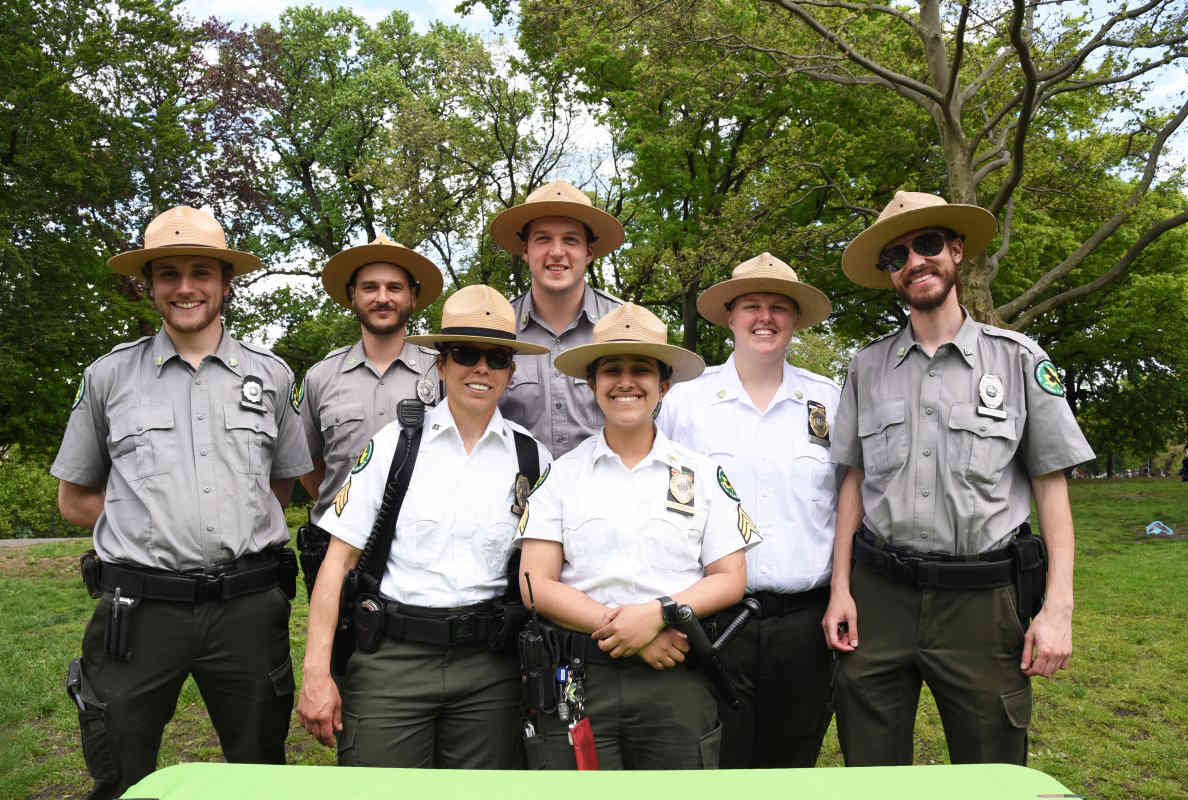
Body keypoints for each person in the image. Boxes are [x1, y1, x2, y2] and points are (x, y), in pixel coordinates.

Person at [824, 191, 1096, 766]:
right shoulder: (866, 367)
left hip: (981, 604)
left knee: (991, 769)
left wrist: (1058, 608)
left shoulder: (1018, 360)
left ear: (956, 250)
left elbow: (1051, 487)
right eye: (896, 255)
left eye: (926, 244)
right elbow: (854, 482)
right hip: (879, 601)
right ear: (889, 273)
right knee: (870, 772)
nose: (914, 262)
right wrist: (841, 589)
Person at [51, 206, 312, 800]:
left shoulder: (271, 376)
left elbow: (278, 487)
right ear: (149, 285)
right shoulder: (108, 377)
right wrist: (150, 526)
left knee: (259, 772)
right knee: (121, 771)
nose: (185, 287)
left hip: (246, 611)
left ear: (226, 282)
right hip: (140, 611)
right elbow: (75, 497)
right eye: (168, 273)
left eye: (201, 272)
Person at [297, 284, 552, 768]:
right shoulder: (395, 444)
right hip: (393, 660)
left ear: (511, 371)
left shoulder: (532, 458)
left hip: (489, 668)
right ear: (441, 363)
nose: (481, 368)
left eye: (496, 358)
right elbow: (338, 561)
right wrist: (316, 672)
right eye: (465, 354)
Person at [518, 302, 762, 769]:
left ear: (664, 385)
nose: (625, 381)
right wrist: (629, 631)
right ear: (592, 383)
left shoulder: (702, 474)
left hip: (675, 678)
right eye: (612, 370)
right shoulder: (562, 475)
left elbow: (730, 578)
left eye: (641, 370)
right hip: (581, 678)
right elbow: (536, 584)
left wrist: (656, 615)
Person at [657, 252, 839, 768]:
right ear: (730, 316)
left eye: (779, 307)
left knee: (793, 765)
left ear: (795, 319)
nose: (765, 317)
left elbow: (850, 501)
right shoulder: (686, 404)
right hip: (714, 619)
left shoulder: (829, 401)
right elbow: (661, 511)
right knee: (717, 764)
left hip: (806, 621)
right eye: (751, 306)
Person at [293, 235, 444, 592]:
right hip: (335, 548)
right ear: (352, 296)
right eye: (370, 287)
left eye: (395, 287)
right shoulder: (321, 377)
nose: (382, 297)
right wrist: (348, 508)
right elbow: (309, 466)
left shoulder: (442, 372)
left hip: (421, 550)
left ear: (413, 296)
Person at [491, 180, 624, 457]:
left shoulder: (623, 325)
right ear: (525, 250)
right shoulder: (497, 327)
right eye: (543, 239)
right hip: (516, 481)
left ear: (589, 252)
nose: (556, 252)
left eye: (570, 240)